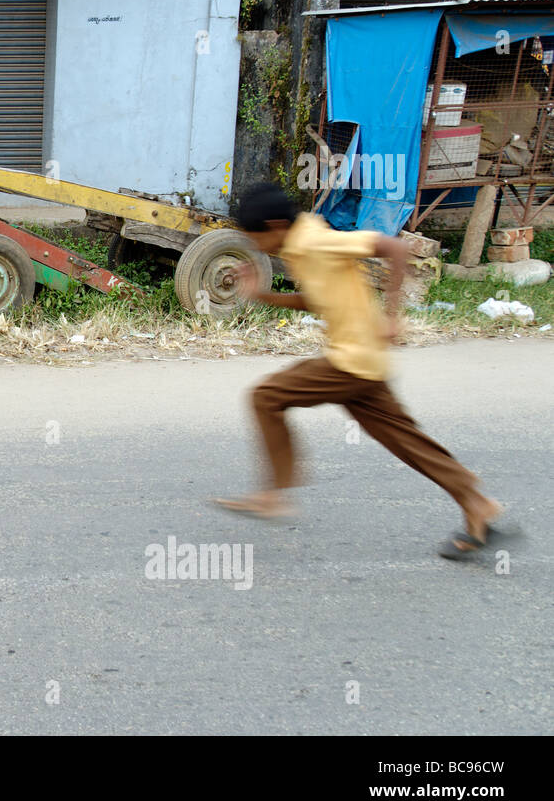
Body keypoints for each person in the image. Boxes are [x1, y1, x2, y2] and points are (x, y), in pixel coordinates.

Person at [216, 181, 504, 560]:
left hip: (350, 362)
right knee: (406, 440)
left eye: (254, 237)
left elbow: (392, 247)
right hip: (363, 363)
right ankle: (477, 504)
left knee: (265, 396)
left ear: (274, 226)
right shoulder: (302, 242)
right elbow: (315, 301)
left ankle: (272, 495)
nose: (254, 246)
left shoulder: (314, 242)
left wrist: (392, 315)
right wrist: (263, 295)